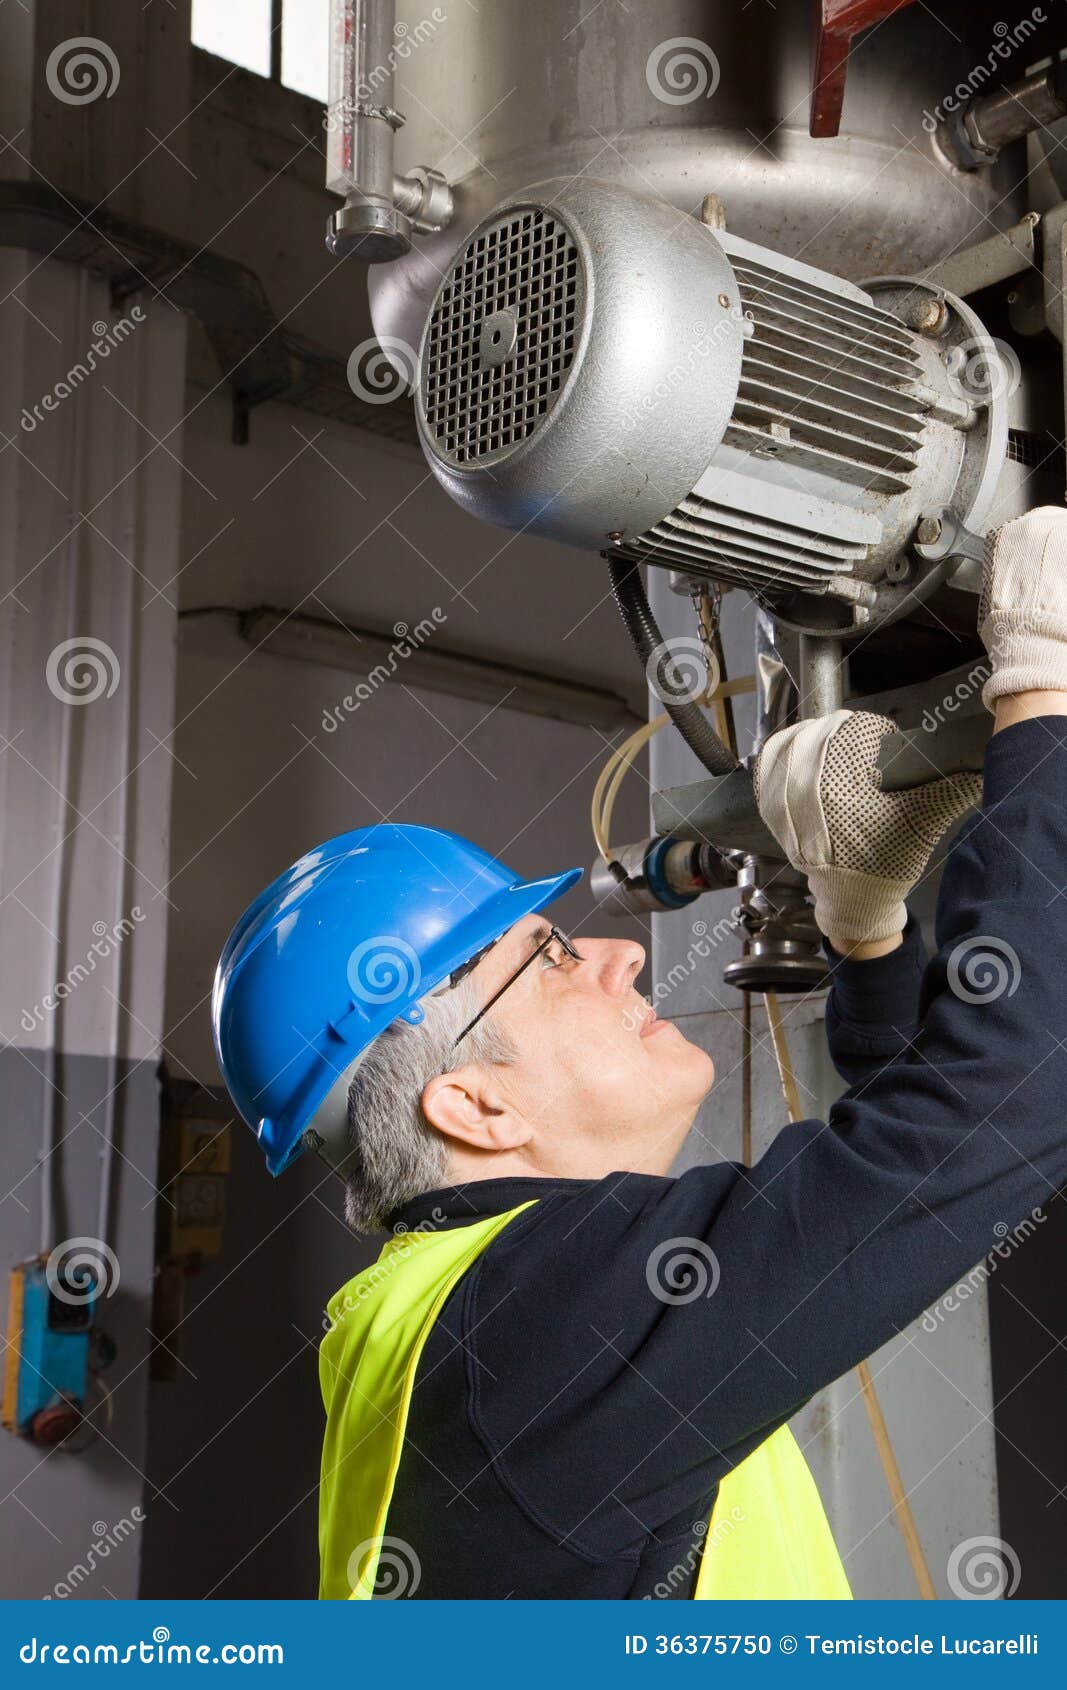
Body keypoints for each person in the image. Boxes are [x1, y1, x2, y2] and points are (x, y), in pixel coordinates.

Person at [214, 507, 1067, 1600]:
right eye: (551, 956)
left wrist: (864, 932)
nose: (619, 953)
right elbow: (1003, 1100)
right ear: (473, 1106)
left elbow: (920, 1153)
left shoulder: (473, 1325)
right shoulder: (536, 1326)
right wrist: (1038, 694)